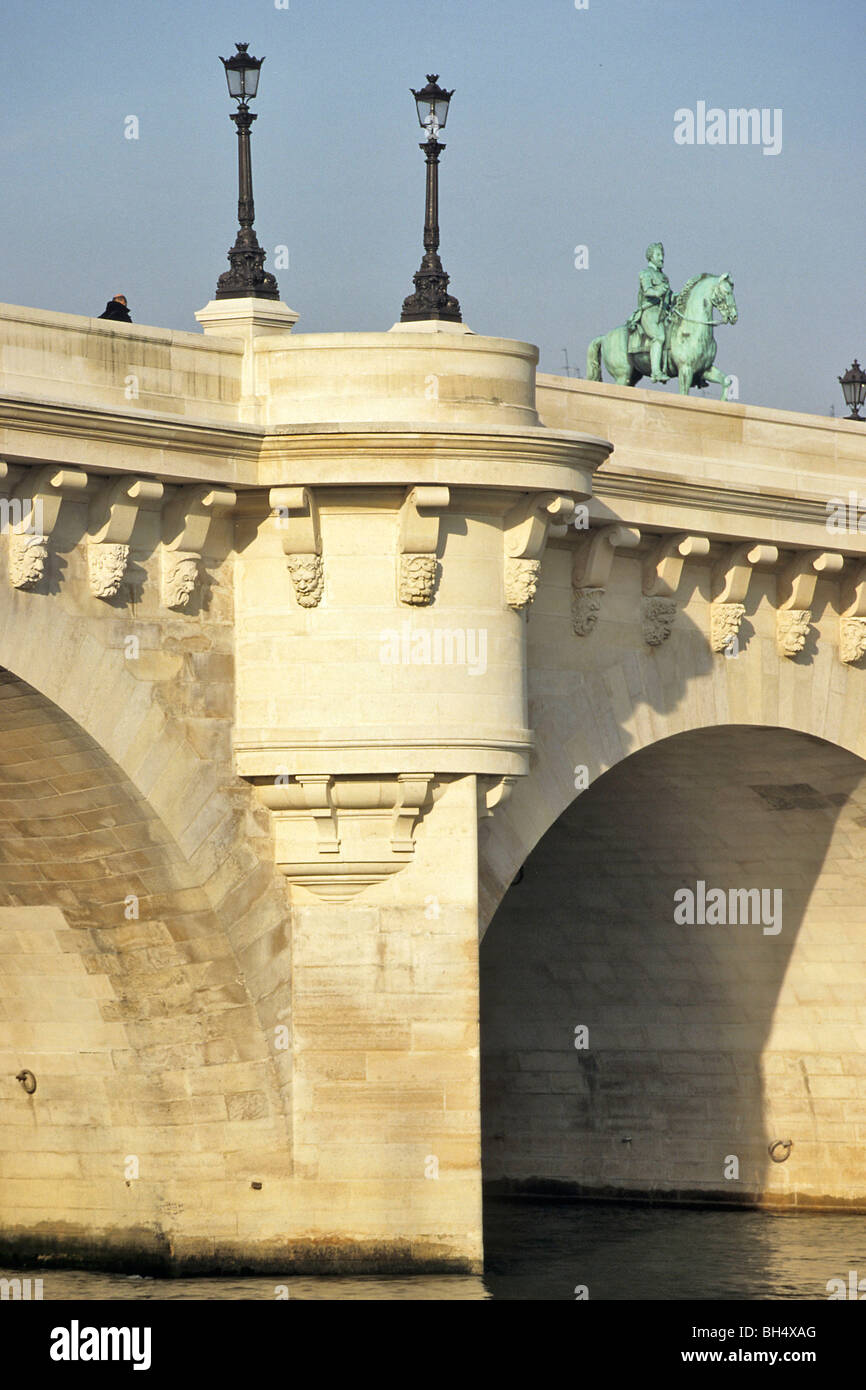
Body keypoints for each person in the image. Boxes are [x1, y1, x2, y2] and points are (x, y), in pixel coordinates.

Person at [626, 243, 671, 383]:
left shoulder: (664, 276)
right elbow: (647, 290)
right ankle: (656, 372)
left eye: (662, 255)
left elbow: (668, 296)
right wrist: (658, 292)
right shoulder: (645, 273)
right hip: (649, 311)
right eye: (658, 255)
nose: (661, 258)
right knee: (659, 337)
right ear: (651, 257)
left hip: (664, 312)